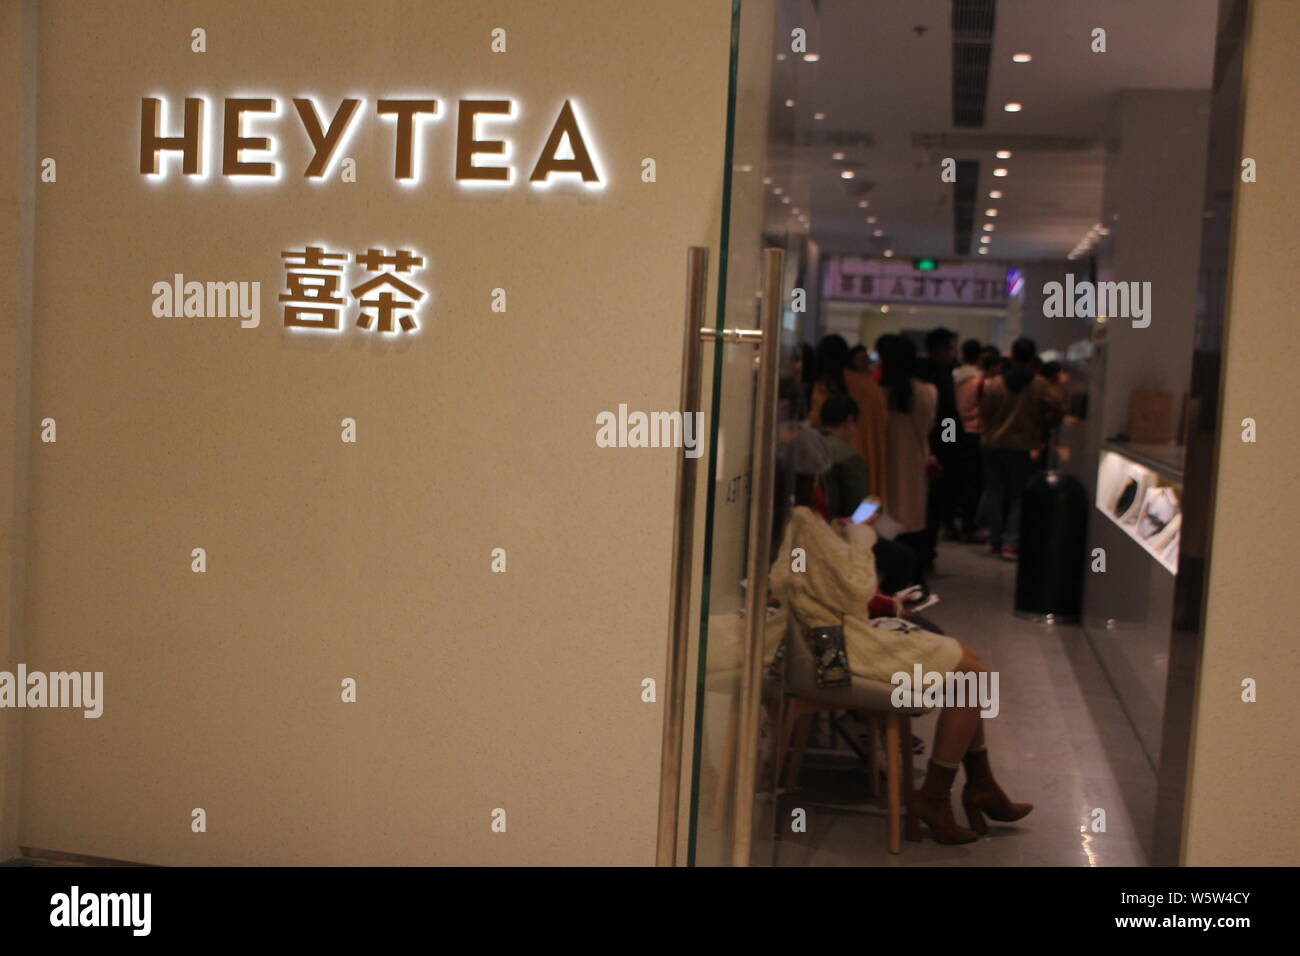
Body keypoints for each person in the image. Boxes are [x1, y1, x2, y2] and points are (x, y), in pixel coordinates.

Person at [770, 504, 1032, 844]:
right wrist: (862, 537)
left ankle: (978, 786)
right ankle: (944, 794)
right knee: (973, 676)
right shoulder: (805, 522)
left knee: (972, 667)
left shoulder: (804, 521)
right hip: (833, 650)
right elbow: (854, 590)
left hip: (836, 640)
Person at [816, 392, 919, 594]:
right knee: (903, 557)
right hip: (836, 533)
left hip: (808, 533)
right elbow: (855, 512)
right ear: (849, 421)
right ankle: (886, 605)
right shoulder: (848, 456)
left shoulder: (809, 445)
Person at [978, 337, 1067, 560]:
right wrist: (1044, 425)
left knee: (994, 492)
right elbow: (1057, 407)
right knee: (1019, 495)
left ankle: (994, 541)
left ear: (1013, 355)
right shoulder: (1039, 385)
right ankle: (1011, 543)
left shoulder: (996, 383)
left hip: (993, 444)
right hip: (1023, 446)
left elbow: (985, 413)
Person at [875, 335, 937, 573]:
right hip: (915, 465)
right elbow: (930, 428)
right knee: (913, 524)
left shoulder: (878, 394)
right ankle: (914, 577)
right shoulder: (928, 392)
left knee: (886, 525)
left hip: (883, 468)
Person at [809, 335, 889, 508]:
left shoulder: (825, 386)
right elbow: (883, 420)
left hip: (832, 459)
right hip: (867, 455)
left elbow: (816, 420)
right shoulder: (868, 384)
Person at [914, 327, 961, 555]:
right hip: (936, 449)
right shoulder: (941, 375)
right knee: (932, 502)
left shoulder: (916, 371)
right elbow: (947, 416)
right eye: (951, 347)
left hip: (915, 445)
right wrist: (947, 447)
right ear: (941, 348)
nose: (953, 352)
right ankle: (925, 549)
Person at [952, 338, 986, 540]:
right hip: (973, 433)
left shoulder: (953, 375)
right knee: (973, 481)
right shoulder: (980, 380)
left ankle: (949, 521)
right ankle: (968, 524)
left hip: (952, 430)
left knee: (954, 476)